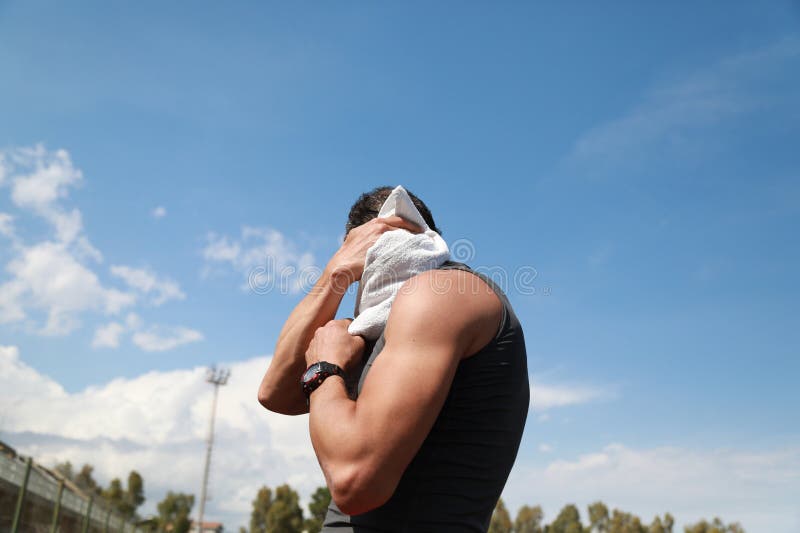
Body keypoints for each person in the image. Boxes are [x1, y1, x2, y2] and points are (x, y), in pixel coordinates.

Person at [258, 187, 529, 532]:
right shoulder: (385, 328)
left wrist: (326, 367)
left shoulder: (440, 296)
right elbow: (275, 392)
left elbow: (353, 481)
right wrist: (334, 275)